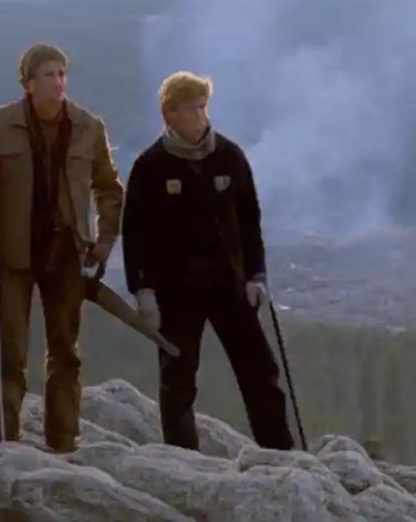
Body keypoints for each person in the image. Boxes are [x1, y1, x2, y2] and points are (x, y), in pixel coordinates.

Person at [121, 71, 295, 451]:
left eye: (204, 106)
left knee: (260, 372)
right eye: (192, 109)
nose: (201, 115)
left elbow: (250, 224)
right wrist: (144, 290)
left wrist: (258, 276)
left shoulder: (229, 157)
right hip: (175, 291)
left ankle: (280, 453)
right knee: (178, 379)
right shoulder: (151, 166)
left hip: (230, 285)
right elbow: (135, 233)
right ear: (170, 115)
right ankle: (183, 458)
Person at [0, 42, 124, 453]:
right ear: (28, 83)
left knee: (65, 353)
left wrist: (105, 238)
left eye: (62, 73)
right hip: (13, 253)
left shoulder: (88, 127)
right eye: (48, 75)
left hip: (67, 253)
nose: (58, 82)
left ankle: (63, 440)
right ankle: (0, 439)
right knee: (9, 351)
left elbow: (108, 187)